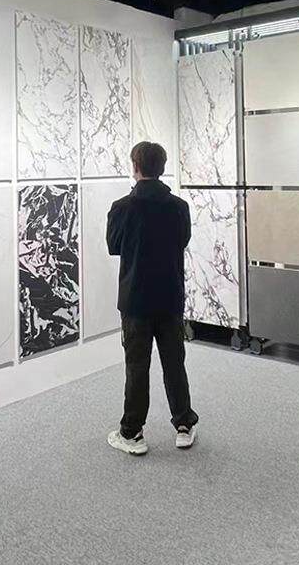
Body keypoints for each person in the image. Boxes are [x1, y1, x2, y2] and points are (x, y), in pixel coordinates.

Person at [105, 141, 198, 455]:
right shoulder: (179, 207)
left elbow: (114, 246)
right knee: (174, 364)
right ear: (162, 166)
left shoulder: (121, 208)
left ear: (135, 166)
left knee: (137, 367)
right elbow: (182, 241)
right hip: (170, 296)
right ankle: (183, 425)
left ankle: (132, 432)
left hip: (135, 300)